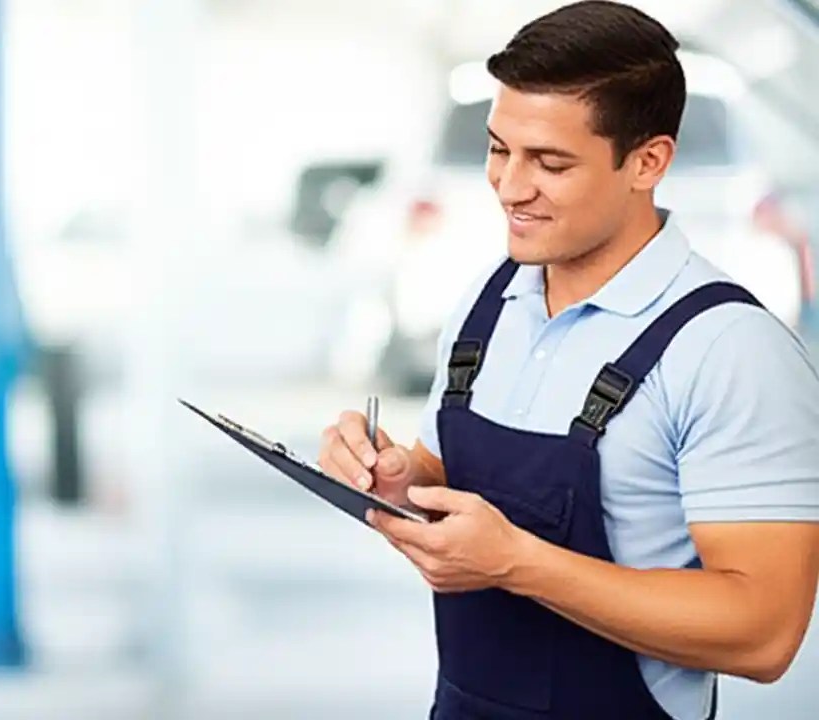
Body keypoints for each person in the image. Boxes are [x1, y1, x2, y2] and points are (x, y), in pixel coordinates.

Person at [318, 3, 819, 719]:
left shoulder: (731, 350)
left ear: (648, 162)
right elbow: (453, 477)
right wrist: (400, 479)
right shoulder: (486, 304)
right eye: (498, 150)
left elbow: (763, 634)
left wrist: (517, 563)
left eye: (550, 163)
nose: (510, 187)